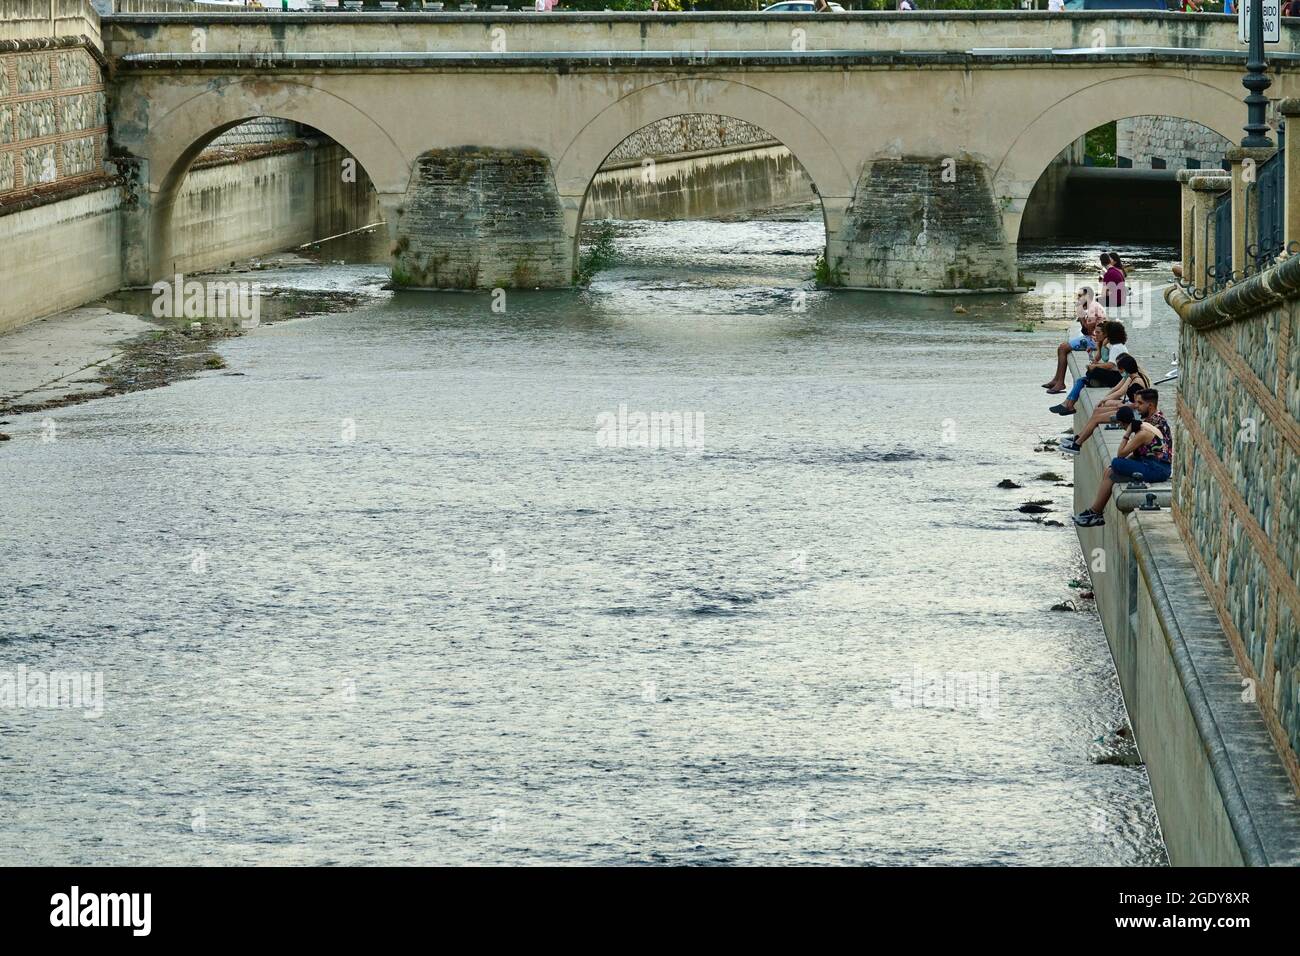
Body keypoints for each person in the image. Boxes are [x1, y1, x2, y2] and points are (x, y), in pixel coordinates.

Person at [1074, 389, 1173, 527]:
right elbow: (1139, 452)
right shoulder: (1155, 419)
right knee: (1111, 470)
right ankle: (1095, 513)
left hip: (1157, 469)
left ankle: (1095, 513)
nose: (1136, 406)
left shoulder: (1148, 428)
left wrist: (1127, 433)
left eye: (1139, 403)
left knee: (1116, 463)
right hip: (1154, 464)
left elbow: (1121, 454)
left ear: (1150, 405)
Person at [1057, 353, 1152, 454]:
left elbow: (1138, 404)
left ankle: (1077, 444)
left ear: (1124, 369)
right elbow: (1121, 392)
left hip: (1132, 414)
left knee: (1097, 419)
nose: (1119, 371)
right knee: (1097, 411)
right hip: (1127, 409)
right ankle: (1079, 437)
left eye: (1119, 369)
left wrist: (1123, 405)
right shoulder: (1133, 377)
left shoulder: (1137, 383)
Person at [1050, 319, 1130, 415]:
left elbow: (1111, 365)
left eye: (1099, 332)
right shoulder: (1112, 345)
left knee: (1092, 372)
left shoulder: (1117, 347)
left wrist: (1095, 366)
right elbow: (1098, 359)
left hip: (1119, 377)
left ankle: (1068, 404)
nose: (1096, 334)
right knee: (1082, 380)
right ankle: (1068, 404)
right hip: (1115, 375)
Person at [1044, 286, 1105, 394]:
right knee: (1062, 347)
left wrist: (1080, 315)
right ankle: (1056, 379)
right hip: (1092, 337)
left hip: (1095, 340)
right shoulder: (1093, 306)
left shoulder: (1092, 308)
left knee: (1063, 348)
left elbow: (1088, 330)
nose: (1078, 298)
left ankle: (1060, 383)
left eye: (1080, 296)